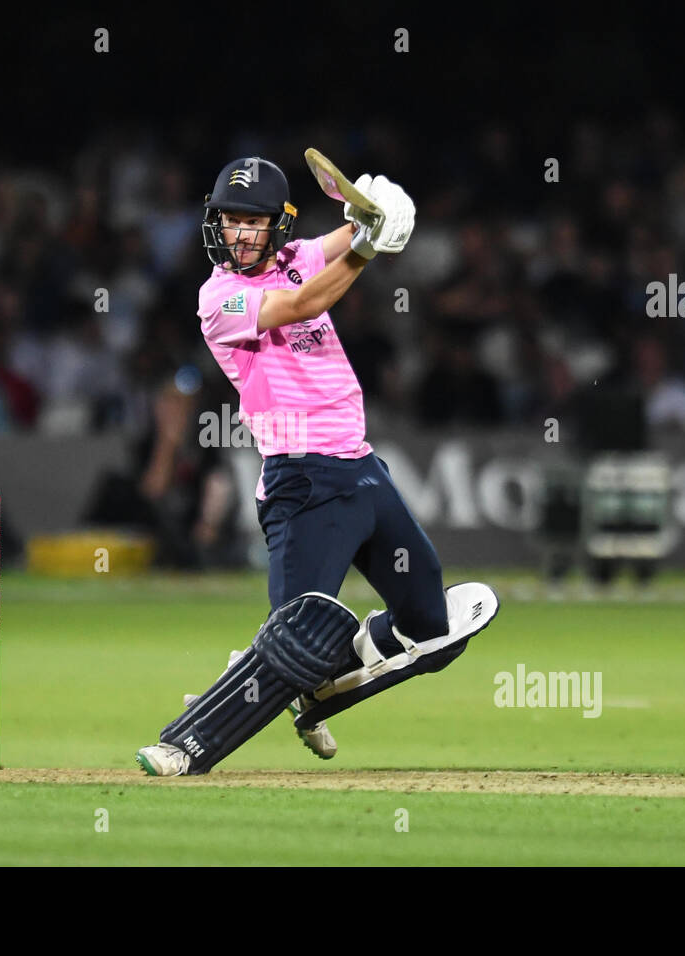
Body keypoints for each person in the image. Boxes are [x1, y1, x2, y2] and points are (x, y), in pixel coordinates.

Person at [135, 157, 500, 776]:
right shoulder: (218, 296)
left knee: (432, 629)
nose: (240, 235)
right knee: (300, 632)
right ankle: (189, 739)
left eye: (254, 223)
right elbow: (304, 305)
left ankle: (317, 682)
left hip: (363, 471)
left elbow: (344, 235)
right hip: (304, 482)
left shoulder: (297, 255)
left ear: (278, 226)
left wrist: (377, 211)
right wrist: (366, 249)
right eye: (230, 221)